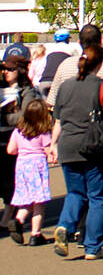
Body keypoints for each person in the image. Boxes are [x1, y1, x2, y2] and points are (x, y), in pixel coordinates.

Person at [49, 45, 103, 260]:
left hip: (68, 144)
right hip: (95, 145)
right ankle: (93, 247)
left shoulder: (66, 86)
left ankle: (65, 227)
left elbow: (58, 118)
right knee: (98, 196)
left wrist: (52, 144)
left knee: (75, 193)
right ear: (100, 64)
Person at [0, 57, 42, 231]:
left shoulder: (27, 91)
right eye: (4, 69)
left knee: (10, 179)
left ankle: (9, 214)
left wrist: (4, 118)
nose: (6, 72)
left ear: (20, 71)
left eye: (10, 69)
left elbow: (25, 116)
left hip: (13, 140)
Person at [7, 98, 53, 245]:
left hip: (22, 165)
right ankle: (35, 234)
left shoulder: (17, 131)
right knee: (39, 202)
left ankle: (18, 220)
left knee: (25, 199)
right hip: (37, 165)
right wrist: (52, 156)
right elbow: (47, 150)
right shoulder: (43, 132)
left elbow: (11, 150)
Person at [47, 25, 103, 106]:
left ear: (79, 42)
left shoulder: (65, 64)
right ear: (100, 43)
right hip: (98, 114)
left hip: (67, 115)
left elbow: (52, 100)